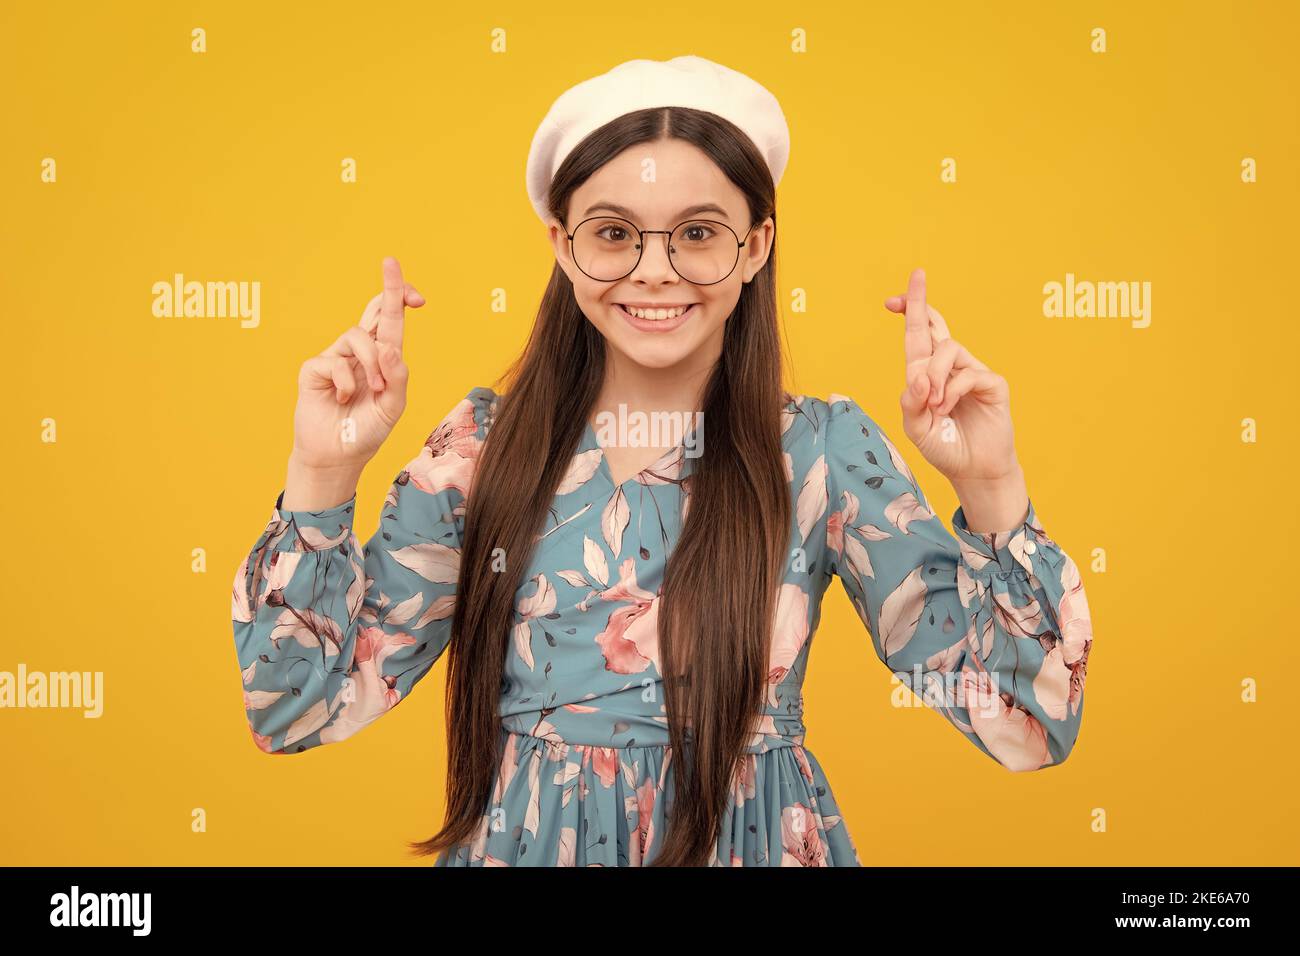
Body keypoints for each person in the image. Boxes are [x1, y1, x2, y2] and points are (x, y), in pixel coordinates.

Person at [230, 55, 1094, 867]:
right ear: (562, 246)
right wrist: (323, 470)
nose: (654, 272)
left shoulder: (821, 453)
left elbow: (1026, 726)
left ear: (755, 248)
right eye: (614, 233)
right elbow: (293, 705)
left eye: (698, 233)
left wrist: (990, 485)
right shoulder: (481, 453)